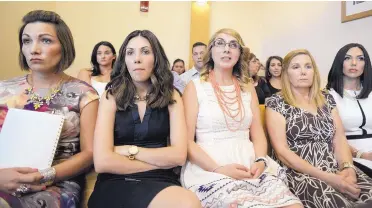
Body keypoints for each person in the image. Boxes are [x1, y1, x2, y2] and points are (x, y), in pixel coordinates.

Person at [181, 28, 302, 208]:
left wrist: (260, 160)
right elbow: (187, 142)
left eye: (233, 45)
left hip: (249, 162)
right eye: (220, 43)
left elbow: (258, 135)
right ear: (211, 51)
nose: (226, 49)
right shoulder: (195, 86)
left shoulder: (247, 87)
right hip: (209, 166)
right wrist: (219, 169)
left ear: (239, 53)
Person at [88, 30, 201, 208]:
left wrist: (128, 150)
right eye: (130, 52)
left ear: (156, 58)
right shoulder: (111, 96)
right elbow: (102, 162)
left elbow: (179, 156)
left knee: (189, 203)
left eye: (145, 52)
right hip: (115, 180)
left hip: (161, 181)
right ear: (124, 60)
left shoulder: (172, 96)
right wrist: (160, 162)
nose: (137, 59)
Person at [0, 10, 99, 207]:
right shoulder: (4, 89)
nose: (33, 49)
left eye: (45, 41)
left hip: (55, 182)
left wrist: (42, 176)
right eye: (26, 41)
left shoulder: (85, 94)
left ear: (64, 46)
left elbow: (89, 154)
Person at [266, 49, 372, 208]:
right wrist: (327, 177)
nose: (303, 72)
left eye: (308, 67)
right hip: (301, 172)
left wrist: (348, 168)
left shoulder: (326, 98)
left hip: (334, 165)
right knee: (337, 203)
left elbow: (339, 138)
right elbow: (282, 152)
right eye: (296, 67)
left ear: (314, 72)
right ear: (286, 73)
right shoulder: (276, 102)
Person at [326, 43, 372, 177]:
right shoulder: (328, 96)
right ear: (340, 63)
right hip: (348, 154)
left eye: (360, 58)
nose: (354, 63)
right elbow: (331, 138)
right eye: (347, 58)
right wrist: (361, 154)